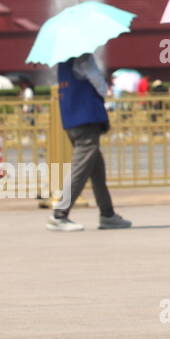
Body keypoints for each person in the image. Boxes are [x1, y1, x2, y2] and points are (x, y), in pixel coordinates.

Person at [46, 52, 131, 232]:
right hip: (86, 117)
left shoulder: (62, 60)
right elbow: (99, 84)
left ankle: (107, 214)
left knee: (96, 169)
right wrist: (105, 86)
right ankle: (60, 213)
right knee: (81, 167)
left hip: (71, 118)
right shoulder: (83, 57)